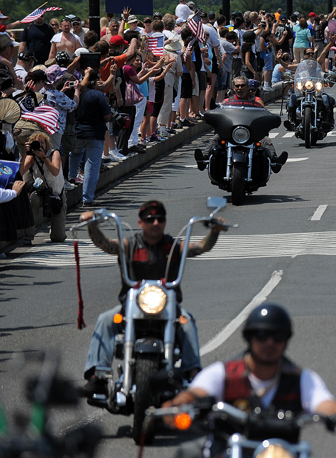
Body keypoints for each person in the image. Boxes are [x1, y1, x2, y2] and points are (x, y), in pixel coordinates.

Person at [165, 303, 336, 456]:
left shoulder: (300, 379)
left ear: (286, 340)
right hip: (226, 451)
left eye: (278, 336)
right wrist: (177, 407)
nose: (270, 342)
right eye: (262, 335)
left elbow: (326, 404)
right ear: (249, 338)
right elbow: (194, 394)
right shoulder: (224, 374)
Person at [82, 200, 227, 392]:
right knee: (106, 319)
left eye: (160, 219)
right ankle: (97, 375)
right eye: (150, 219)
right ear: (141, 223)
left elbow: (202, 246)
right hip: (130, 308)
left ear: (165, 222)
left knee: (187, 321)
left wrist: (214, 231)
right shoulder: (130, 245)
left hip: (169, 309)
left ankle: (192, 373)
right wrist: (92, 225)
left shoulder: (174, 247)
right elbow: (106, 245)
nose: (156, 223)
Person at [67, 67, 111, 208]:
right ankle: (87, 198)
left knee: (74, 155)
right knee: (92, 166)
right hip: (95, 134)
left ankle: (71, 178)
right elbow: (107, 116)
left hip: (78, 132)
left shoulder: (75, 93)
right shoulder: (98, 96)